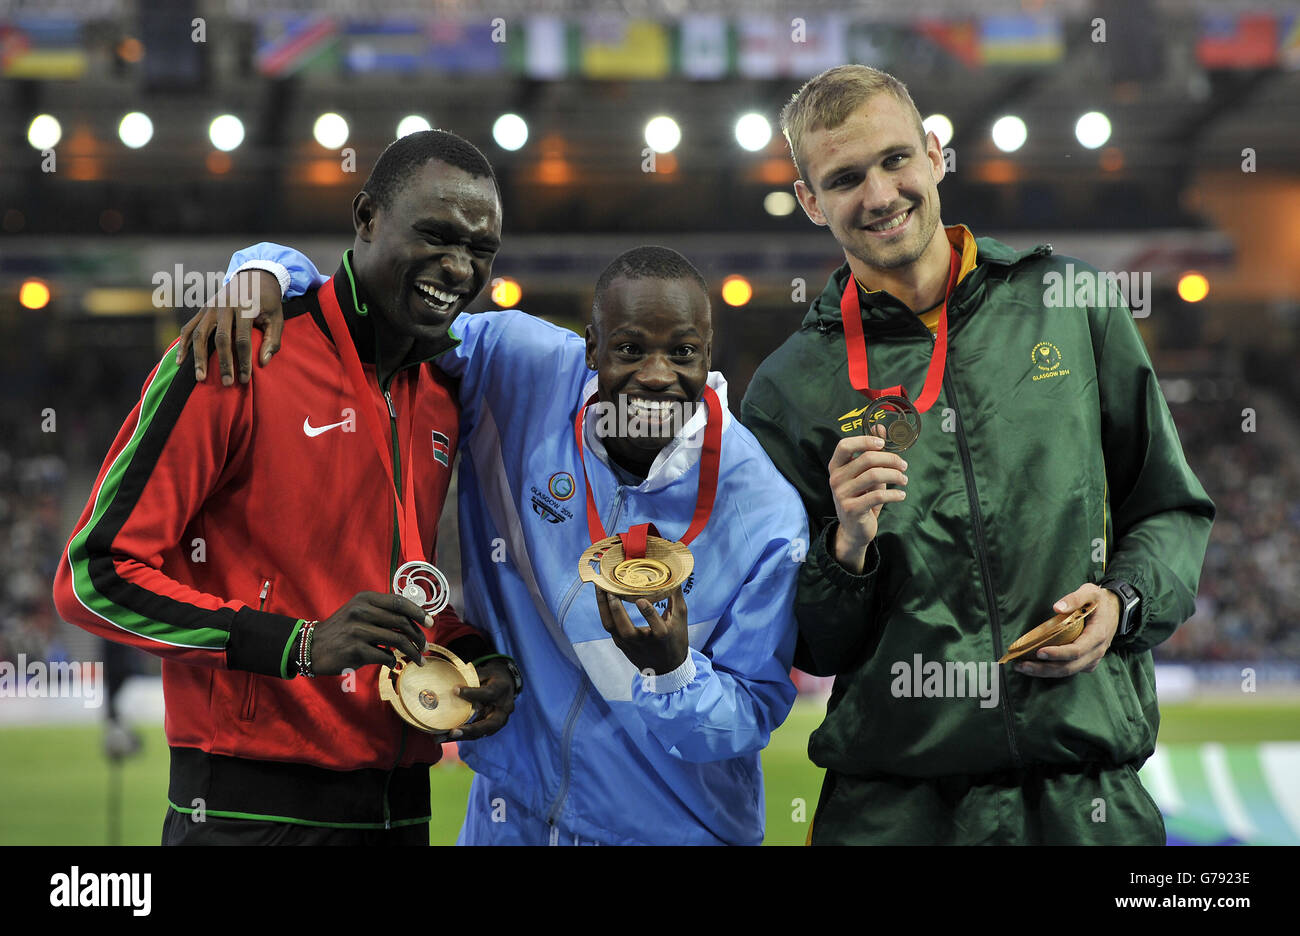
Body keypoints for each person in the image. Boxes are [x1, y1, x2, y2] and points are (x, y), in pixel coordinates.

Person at [187, 243, 807, 845]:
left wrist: (673, 674)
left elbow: (754, 714)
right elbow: (376, 310)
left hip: (668, 833)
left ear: (708, 356)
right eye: (629, 348)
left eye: (683, 353)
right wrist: (265, 270)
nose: (655, 375)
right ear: (591, 346)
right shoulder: (521, 364)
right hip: (509, 820)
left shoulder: (765, 514)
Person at [738, 65, 1216, 844]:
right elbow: (804, 640)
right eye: (846, 177)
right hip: (894, 810)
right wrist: (845, 551)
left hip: (1084, 799)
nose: (881, 194)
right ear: (811, 201)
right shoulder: (789, 389)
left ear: (934, 154)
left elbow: (1168, 506)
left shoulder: (1070, 304)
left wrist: (1123, 602)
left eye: (896, 159)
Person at [52, 130, 519, 845]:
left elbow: (384, 591)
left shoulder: (439, 393)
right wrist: (293, 646)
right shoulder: (237, 352)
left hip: (400, 810)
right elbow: (94, 577)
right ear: (366, 218)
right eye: (435, 235)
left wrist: (468, 653)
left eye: (479, 250)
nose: (458, 267)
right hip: (245, 815)